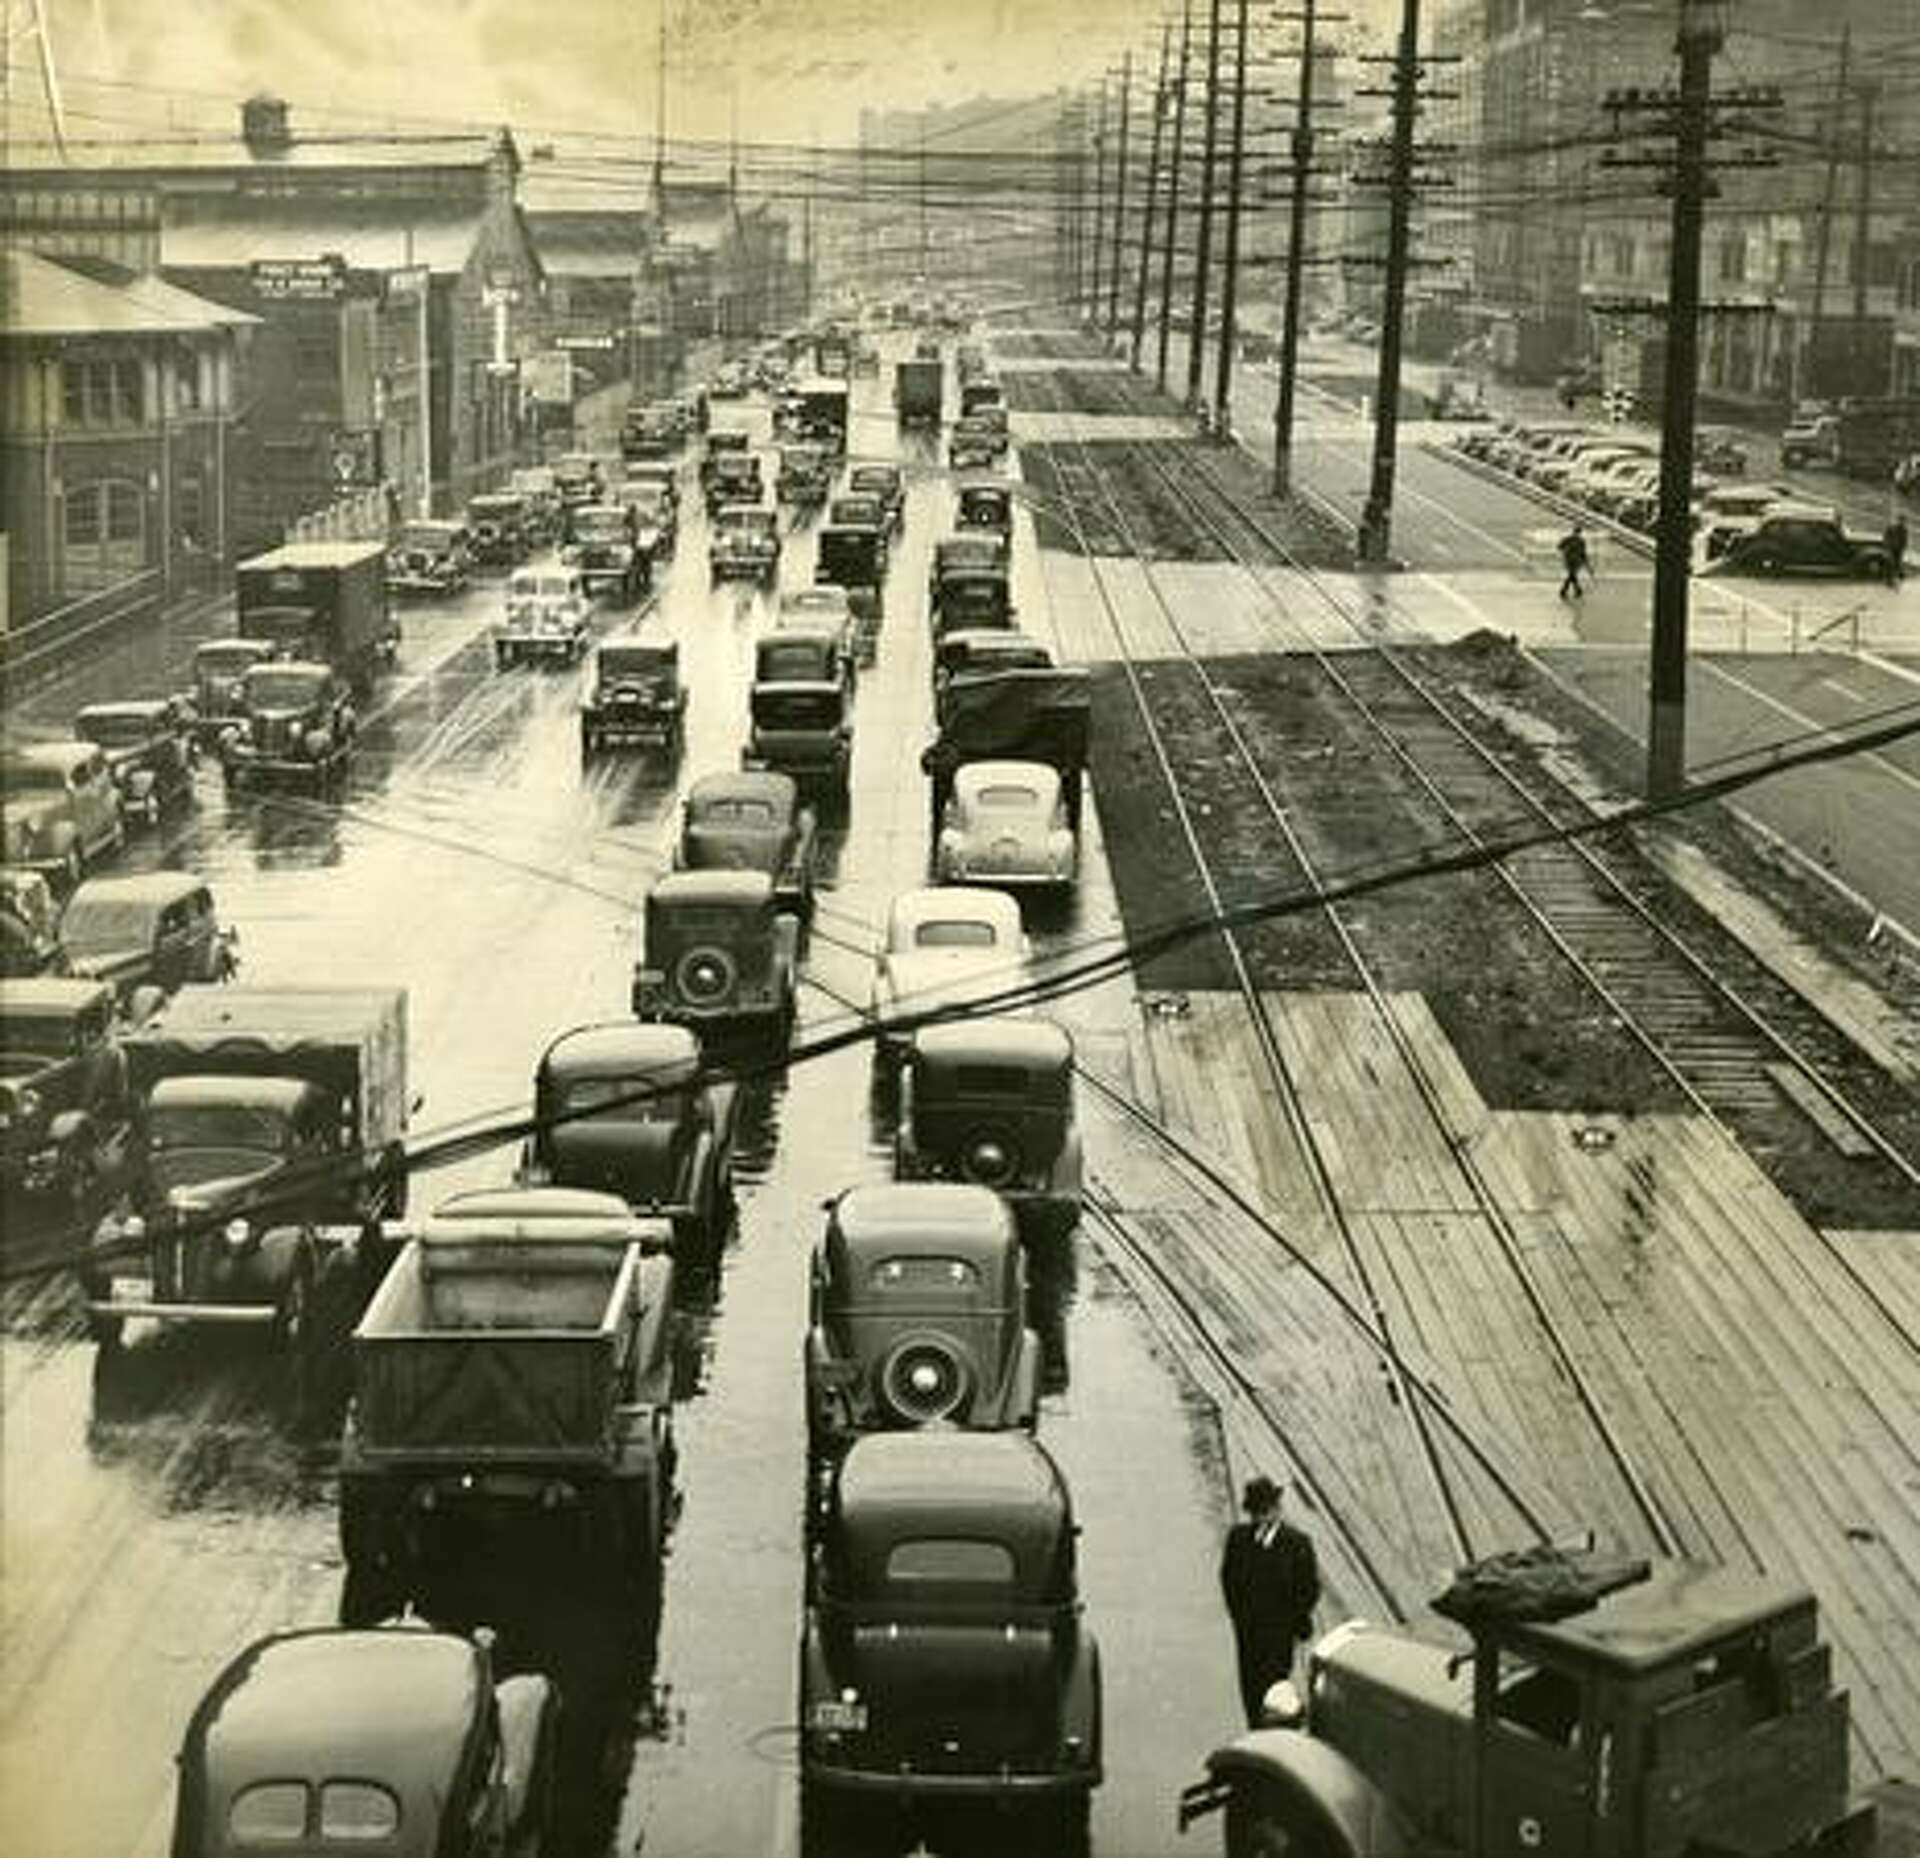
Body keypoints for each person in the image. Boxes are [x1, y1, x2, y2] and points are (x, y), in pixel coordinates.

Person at [1219, 1475, 1321, 1728]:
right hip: (1248, 1632)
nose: (1261, 1517)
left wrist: (1296, 1622)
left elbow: (1309, 1588)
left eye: (1265, 1510)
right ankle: (1256, 1731)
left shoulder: (1297, 1543)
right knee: (1250, 1690)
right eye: (1256, 1512)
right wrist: (1239, 1618)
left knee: (1276, 1689)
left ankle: (1276, 1735)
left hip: (1280, 1634)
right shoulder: (1238, 1539)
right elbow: (1228, 1580)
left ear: (1277, 1509)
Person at [1557, 523, 1591, 600]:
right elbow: (1583, 553)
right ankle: (1573, 590)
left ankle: (1567, 591)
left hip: (1569, 560)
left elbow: (1559, 547)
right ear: (1580, 532)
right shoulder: (1581, 541)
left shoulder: (1567, 539)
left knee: (1572, 575)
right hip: (1577, 561)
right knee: (1572, 575)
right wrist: (1586, 562)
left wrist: (1566, 551)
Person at [1884, 514, 1908, 586]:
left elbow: (1905, 540)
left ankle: (1897, 576)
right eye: (1901, 520)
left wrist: (1903, 547)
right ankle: (1890, 579)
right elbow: (1886, 537)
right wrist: (1888, 546)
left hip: (1899, 548)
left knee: (1898, 562)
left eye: (1903, 521)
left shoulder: (1904, 529)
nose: (1902, 522)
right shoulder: (1892, 528)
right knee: (1891, 562)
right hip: (1892, 548)